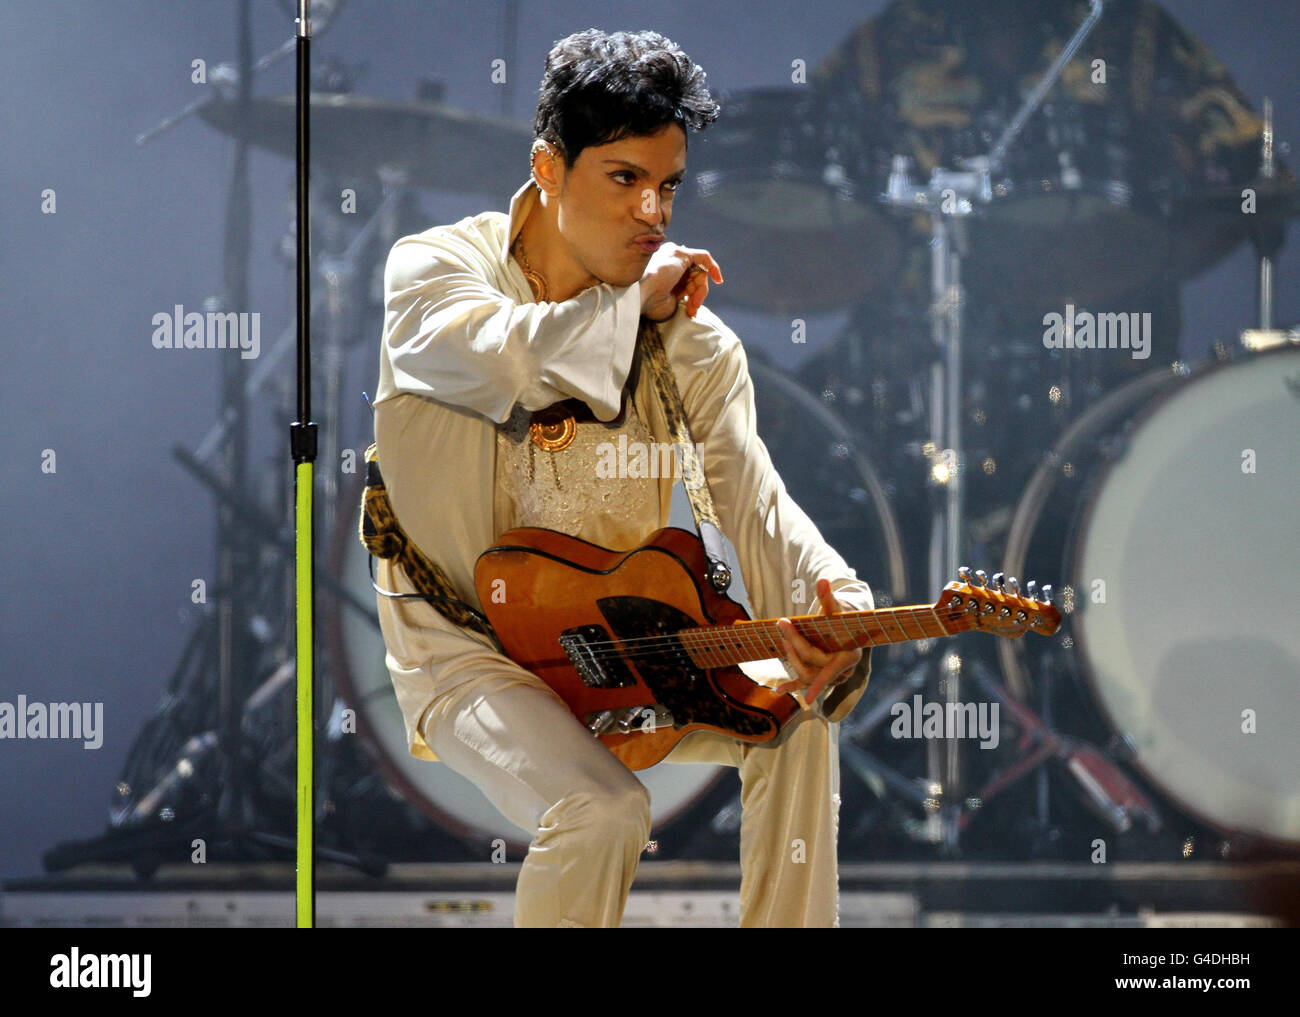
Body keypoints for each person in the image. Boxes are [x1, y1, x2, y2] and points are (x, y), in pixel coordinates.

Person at [368, 28, 875, 927]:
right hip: (466, 650)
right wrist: (624, 308)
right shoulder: (436, 271)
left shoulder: (689, 339)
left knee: (796, 719)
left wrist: (831, 596)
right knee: (601, 809)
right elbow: (505, 360)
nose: (655, 213)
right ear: (549, 169)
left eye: (669, 185)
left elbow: (752, 498)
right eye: (624, 179)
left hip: (613, 645)